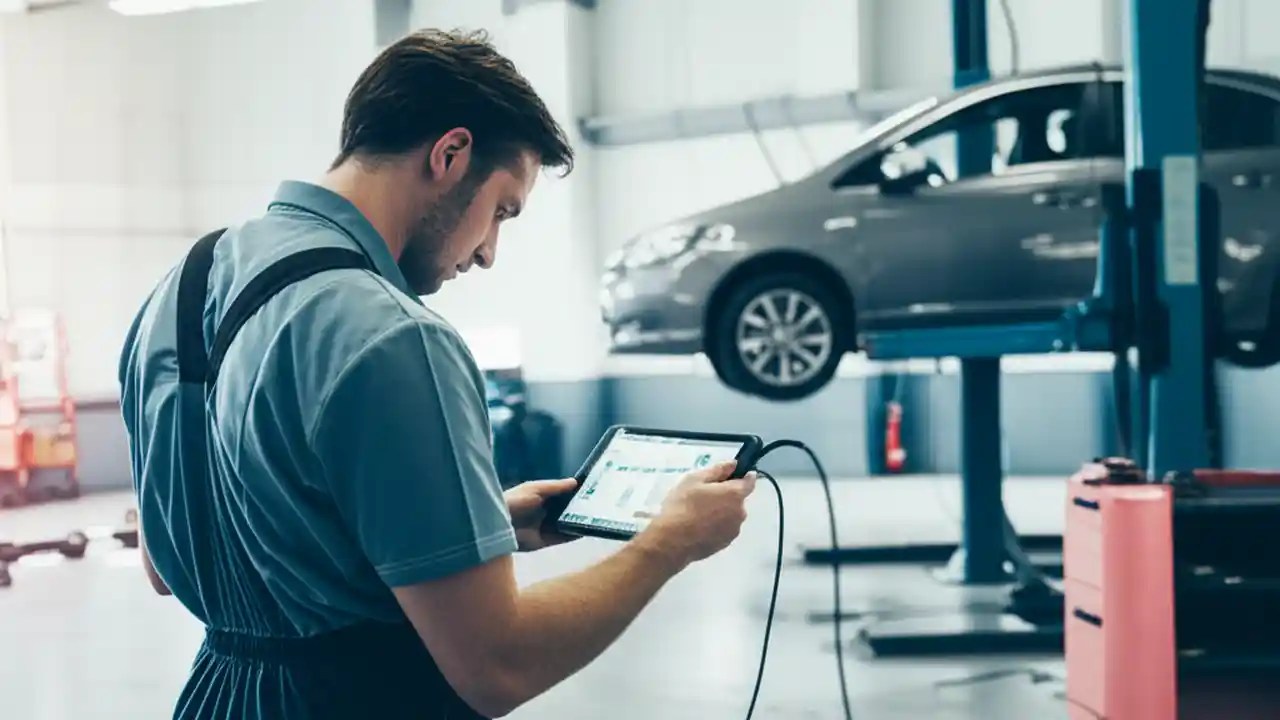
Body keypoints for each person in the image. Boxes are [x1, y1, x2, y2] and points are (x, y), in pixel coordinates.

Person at [118, 28, 757, 720]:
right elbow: (497, 664)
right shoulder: (396, 336)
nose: (488, 253)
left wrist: (468, 532)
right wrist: (668, 543)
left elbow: (172, 561)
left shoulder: (177, 293)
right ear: (450, 154)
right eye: (501, 211)